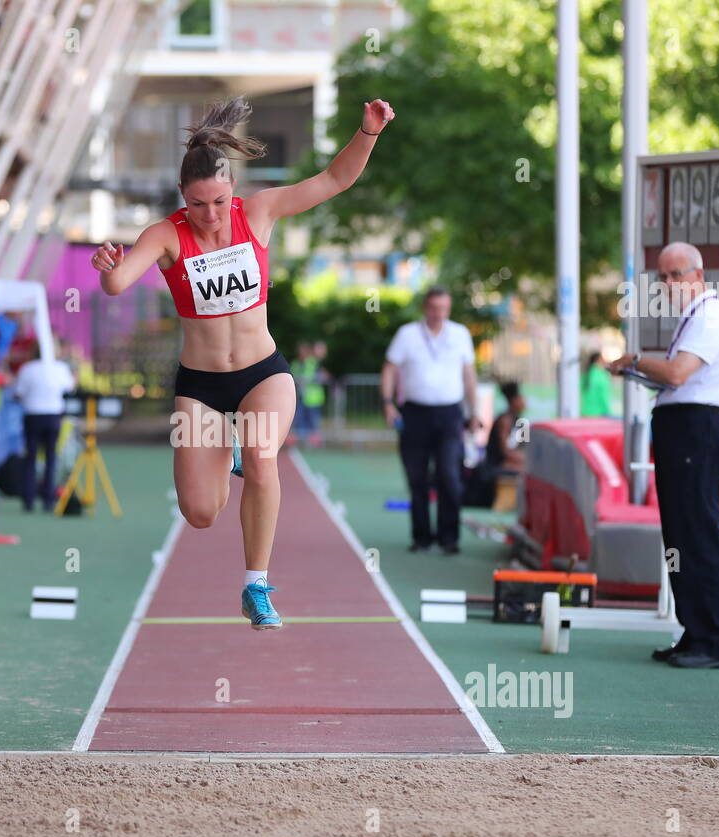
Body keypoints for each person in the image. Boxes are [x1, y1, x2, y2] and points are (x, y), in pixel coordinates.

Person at [92, 95, 395, 629]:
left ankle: (255, 586)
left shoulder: (258, 212)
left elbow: (333, 181)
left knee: (262, 458)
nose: (209, 216)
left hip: (263, 373)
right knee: (201, 513)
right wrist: (106, 266)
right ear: (182, 197)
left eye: (217, 201)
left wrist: (367, 133)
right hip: (201, 385)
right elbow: (118, 283)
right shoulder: (167, 235)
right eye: (197, 204)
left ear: (232, 189)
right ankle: (223, 451)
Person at [608, 240, 719, 669]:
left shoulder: (711, 317)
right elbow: (676, 379)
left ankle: (714, 640)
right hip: (683, 428)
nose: (667, 283)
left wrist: (635, 361)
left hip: (695, 430)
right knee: (681, 537)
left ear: (699, 275)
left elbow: (679, 374)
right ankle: (695, 631)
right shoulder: (694, 318)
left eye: (676, 274)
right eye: (662, 276)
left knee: (698, 534)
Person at [382, 286, 478, 555]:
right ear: (426, 308)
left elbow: (469, 375)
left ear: (449, 309)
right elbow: (389, 369)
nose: (438, 314)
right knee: (417, 478)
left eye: (443, 309)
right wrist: (388, 404)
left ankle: (449, 537)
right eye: (434, 308)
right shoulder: (407, 334)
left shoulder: (460, 334)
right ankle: (422, 537)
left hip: (449, 414)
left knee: (449, 475)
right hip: (414, 414)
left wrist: (474, 412)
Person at [9, 339, 76, 511]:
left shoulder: (28, 368)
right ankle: (48, 499)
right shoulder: (60, 368)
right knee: (51, 458)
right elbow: (69, 388)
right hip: (53, 415)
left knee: (30, 457)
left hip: (32, 415)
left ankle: (29, 499)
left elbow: (18, 392)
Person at [291, 341, 330, 447]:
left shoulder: (313, 363)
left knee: (313, 420)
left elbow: (322, 376)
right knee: (299, 418)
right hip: (301, 397)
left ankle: (312, 441)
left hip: (312, 398)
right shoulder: (297, 363)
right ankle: (300, 440)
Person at [581, 351, 612, 416]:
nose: (604, 361)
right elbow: (603, 395)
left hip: (584, 412)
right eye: (603, 359)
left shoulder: (585, 374)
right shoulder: (601, 375)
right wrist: (607, 411)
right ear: (598, 360)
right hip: (598, 413)